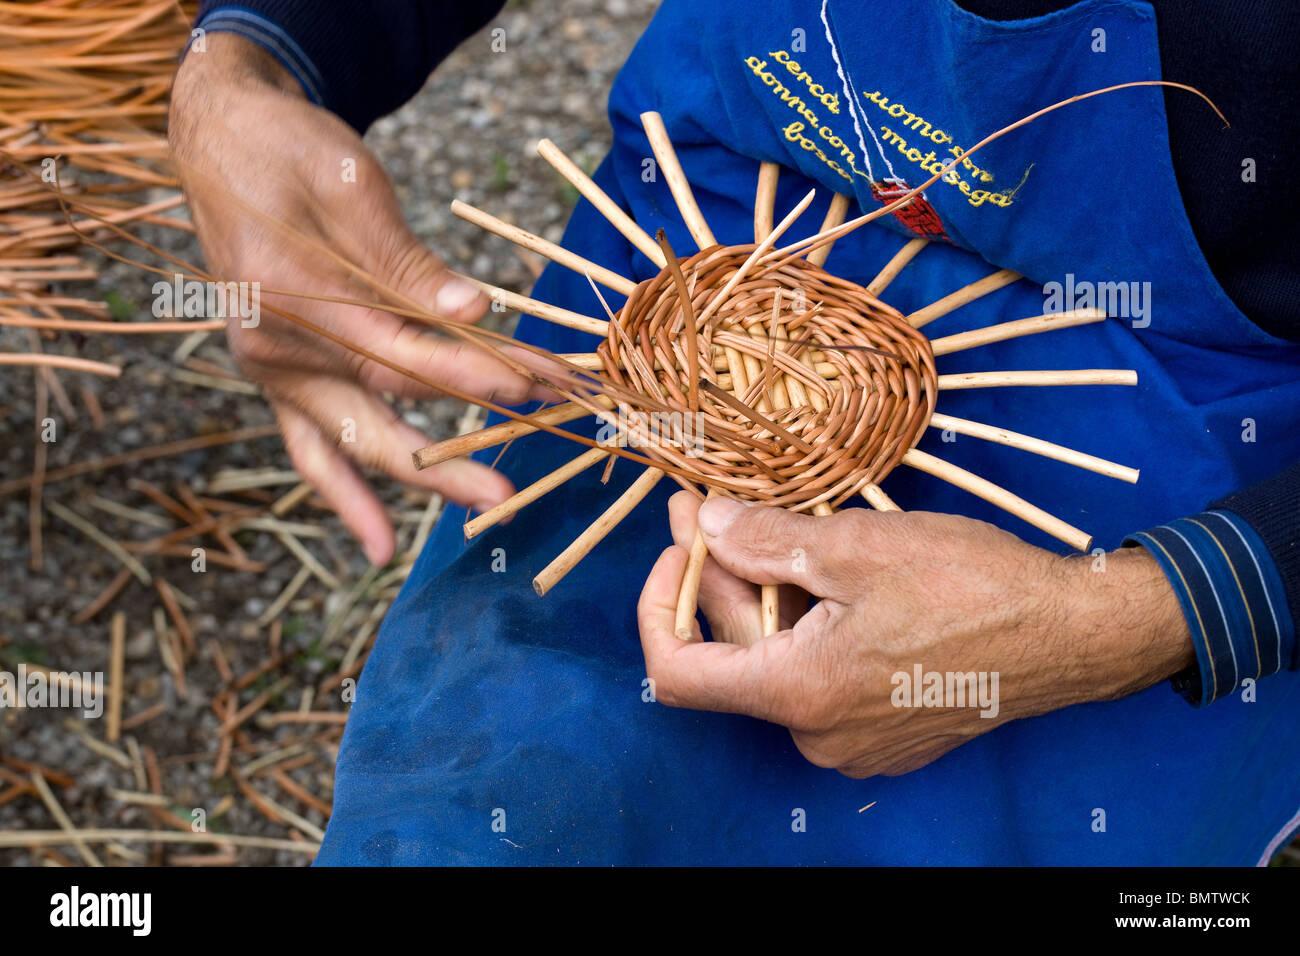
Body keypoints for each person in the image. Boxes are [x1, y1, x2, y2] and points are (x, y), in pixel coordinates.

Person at [169, 0, 1299, 864]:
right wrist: (251, 60)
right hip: (710, 262)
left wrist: (1128, 613)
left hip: (1174, 372)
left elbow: (1136, 607)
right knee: (497, 813)